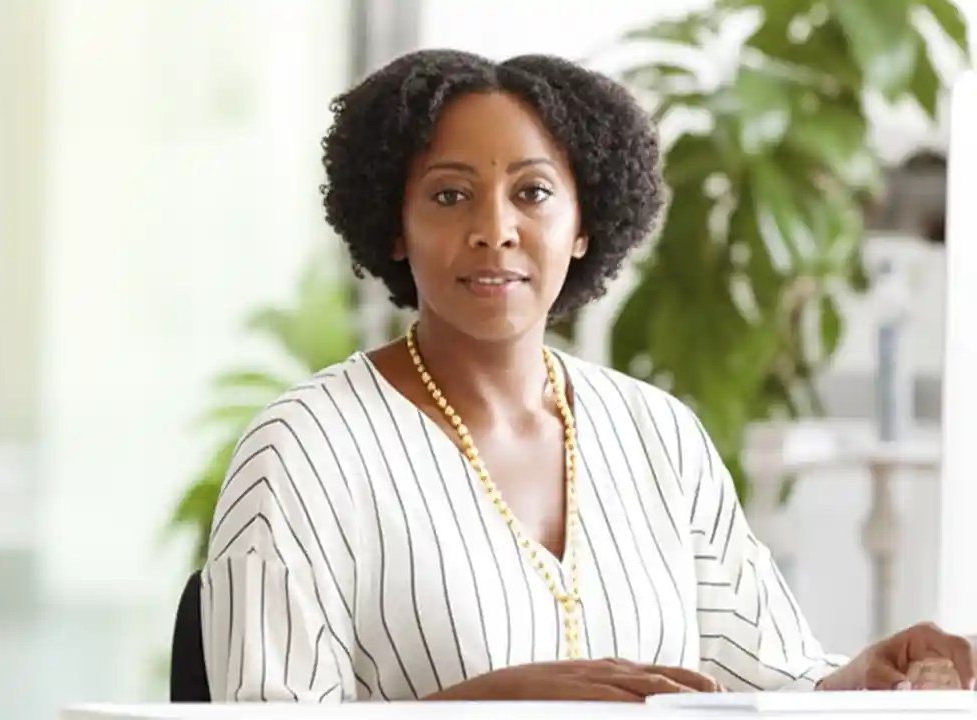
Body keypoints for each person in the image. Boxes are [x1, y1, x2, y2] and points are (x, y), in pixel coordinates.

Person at [198, 49, 975, 703]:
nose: (495, 229)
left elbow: (765, 682)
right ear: (395, 226)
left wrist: (858, 686)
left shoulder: (660, 434)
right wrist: (486, 707)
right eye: (449, 194)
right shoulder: (302, 453)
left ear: (584, 224)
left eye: (532, 193)